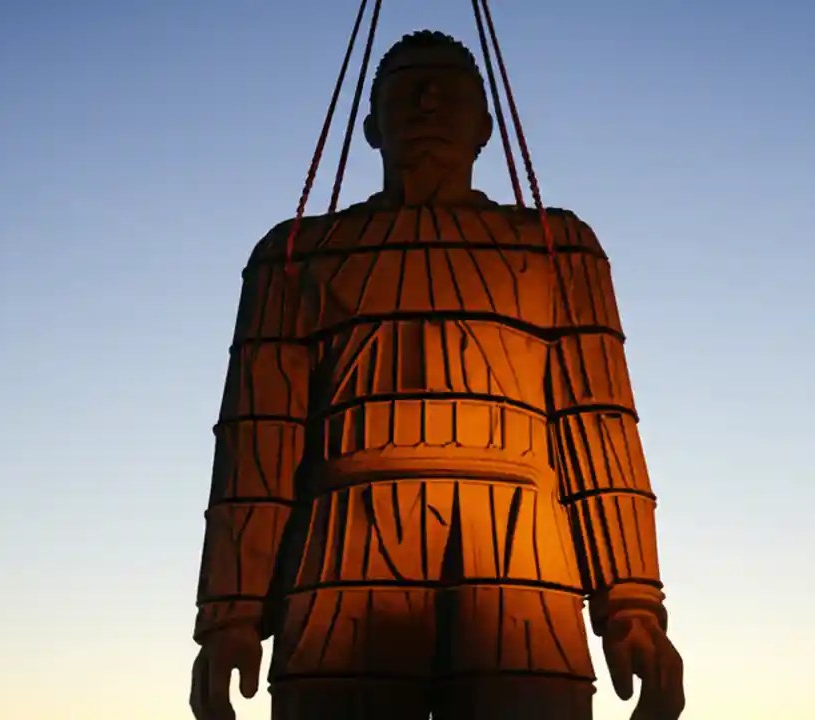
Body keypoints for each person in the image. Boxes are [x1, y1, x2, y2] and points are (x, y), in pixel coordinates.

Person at [190, 29, 684, 720]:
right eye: (405, 90)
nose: (427, 101)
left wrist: (632, 606)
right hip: (343, 546)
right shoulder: (294, 256)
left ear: (486, 125)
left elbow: (600, 430)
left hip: (521, 547)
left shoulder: (557, 247)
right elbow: (257, 443)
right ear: (370, 126)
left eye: (449, 90)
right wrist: (231, 614)